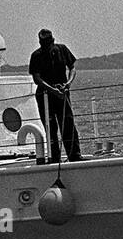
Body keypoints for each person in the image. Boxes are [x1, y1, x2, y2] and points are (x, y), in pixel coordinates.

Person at [28, 29, 83, 162]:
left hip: (62, 93)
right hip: (45, 95)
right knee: (50, 127)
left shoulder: (62, 49)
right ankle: (54, 157)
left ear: (53, 41)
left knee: (68, 124)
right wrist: (52, 90)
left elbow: (72, 68)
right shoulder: (36, 55)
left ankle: (74, 155)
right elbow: (37, 78)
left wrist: (68, 84)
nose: (46, 46)